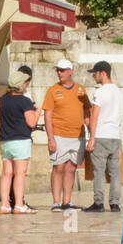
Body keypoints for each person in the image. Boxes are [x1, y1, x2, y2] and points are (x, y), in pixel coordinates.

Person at [0, 73, 39, 214]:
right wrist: (37, 111)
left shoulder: (3, 100)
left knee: (6, 174)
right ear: (21, 85)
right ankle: (19, 204)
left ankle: (4, 205)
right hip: (20, 140)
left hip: (5, 140)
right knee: (20, 173)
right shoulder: (25, 101)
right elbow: (31, 123)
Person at [42, 58, 90, 211]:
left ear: (71, 71)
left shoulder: (81, 90)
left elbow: (87, 113)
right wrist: (50, 138)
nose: (59, 73)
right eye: (58, 70)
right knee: (58, 167)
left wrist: (92, 135)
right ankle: (56, 201)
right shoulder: (52, 90)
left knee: (71, 168)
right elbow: (47, 115)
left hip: (78, 136)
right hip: (59, 134)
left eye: (62, 70)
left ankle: (67, 201)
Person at [85, 60, 123, 212]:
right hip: (115, 135)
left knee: (99, 171)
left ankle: (99, 203)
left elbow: (95, 116)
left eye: (95, 73)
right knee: (115, 172)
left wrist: (91, 138)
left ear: (103, 73)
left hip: (101, 135)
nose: (94, 76)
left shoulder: (100, 92)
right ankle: (114, 203)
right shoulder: (119, 92)